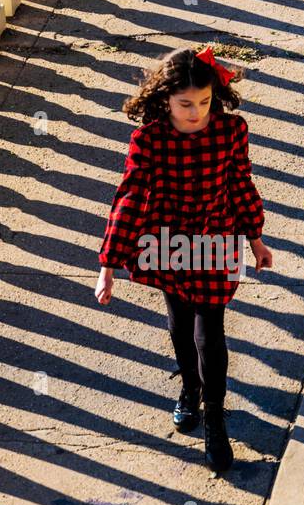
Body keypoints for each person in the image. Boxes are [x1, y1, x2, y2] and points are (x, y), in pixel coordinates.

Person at [95, 45, 273, 473]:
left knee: (210, 331)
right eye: (185, 104)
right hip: (168, 242)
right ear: (165, 100)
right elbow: (131, 196)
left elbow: (241, 184)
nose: (196, 113)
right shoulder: (150, 138)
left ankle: (215, 417)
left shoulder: (231, 131)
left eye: (205, 102)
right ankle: (189, 389)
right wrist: (108, 264)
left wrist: (255, 238)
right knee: (178, 323)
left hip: (217, 238)